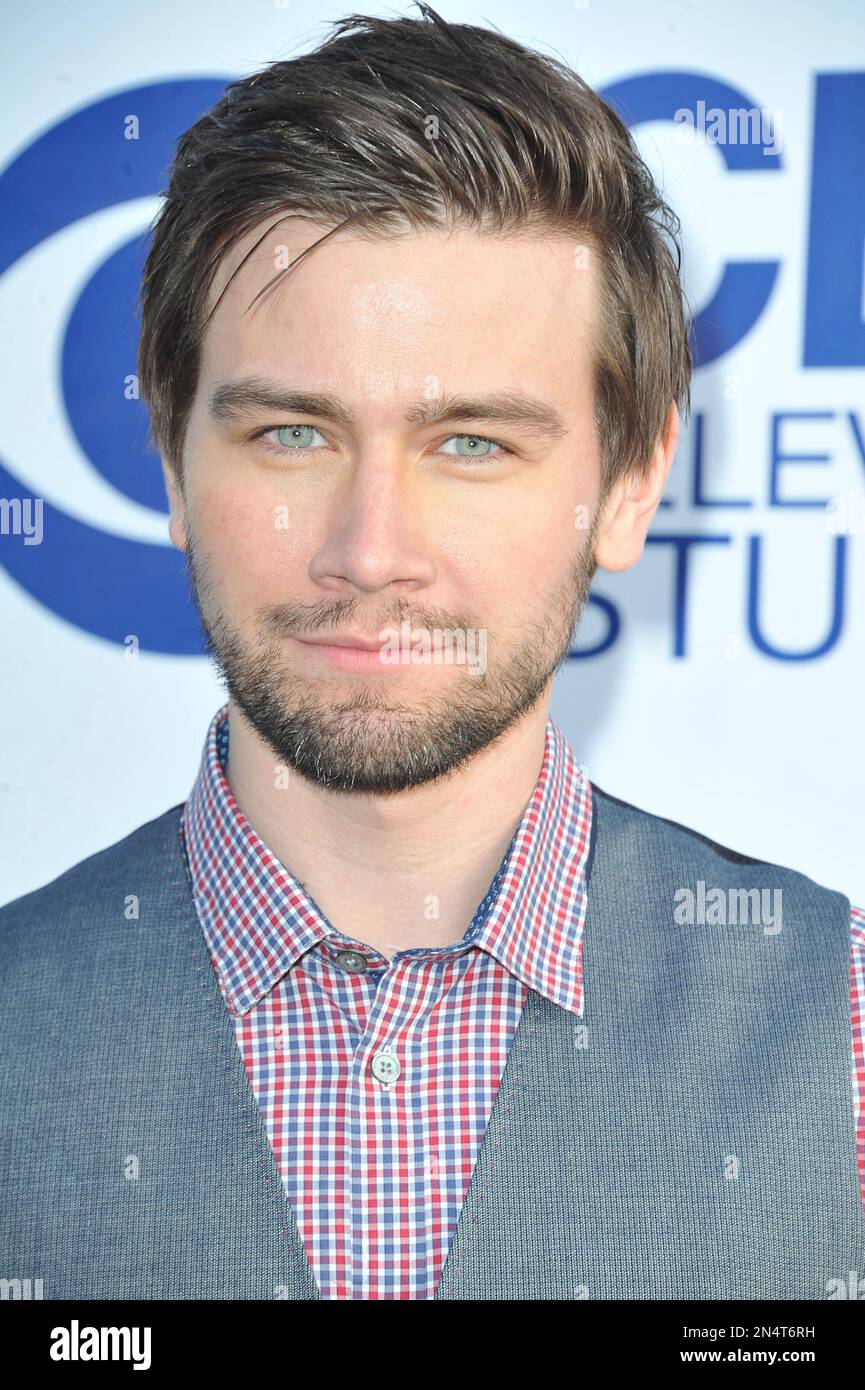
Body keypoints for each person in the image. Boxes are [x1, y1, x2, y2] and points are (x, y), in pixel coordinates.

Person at [2, 4, 863, 1301]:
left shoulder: (844, 1024)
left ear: (631, 482)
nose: (369, 549)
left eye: (471, 441)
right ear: (172, 449)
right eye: (293, 432)